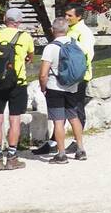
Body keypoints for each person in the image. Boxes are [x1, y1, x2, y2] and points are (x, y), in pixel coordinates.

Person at [0, 8, 33, 171]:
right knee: (14, 119)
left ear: (5, 19)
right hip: (17, 82)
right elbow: (30, 56)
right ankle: (12, 157)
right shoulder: (25, 37)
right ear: (19, 21)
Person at [36, 19, 87, 164]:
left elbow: (43, 74)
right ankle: (81, 149)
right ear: (66, 29)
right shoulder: (74, 43)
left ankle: (61, 154)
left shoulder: (51, 48)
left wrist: (43, 88)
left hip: (55, 87)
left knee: (58, 121)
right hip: (72, 86)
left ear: (53, 30)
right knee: (73, 117)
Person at [62, 6, 95, 157]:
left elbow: (87, 52)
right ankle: (56, 141)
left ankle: (77, 142)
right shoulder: (70, 29)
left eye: (70, 15)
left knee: (77, 108)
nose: (66, 18)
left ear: (79, 16)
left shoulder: (84, 32)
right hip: (67, 75)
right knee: (64, 107)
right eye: (65, 15)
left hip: (79, 76)